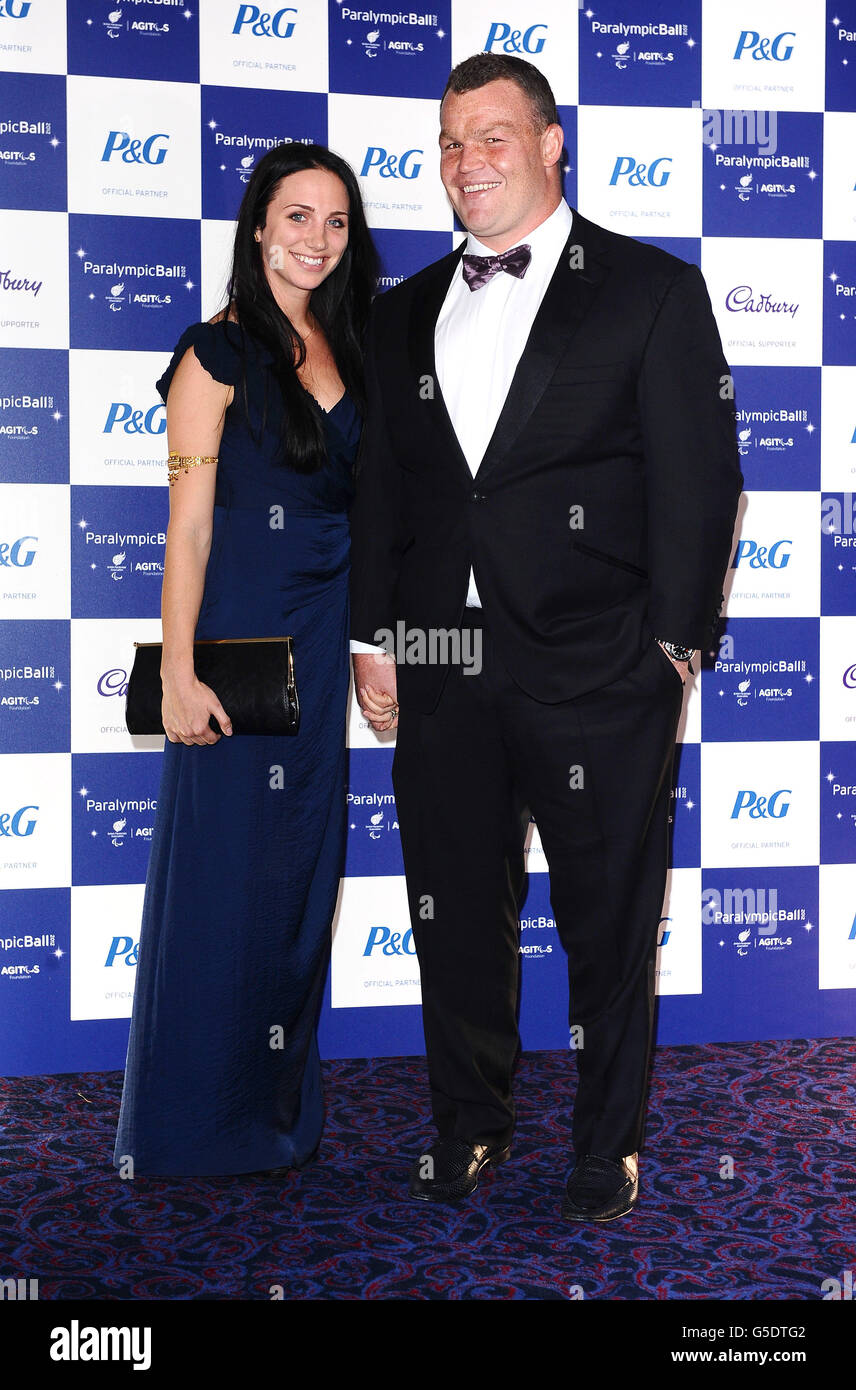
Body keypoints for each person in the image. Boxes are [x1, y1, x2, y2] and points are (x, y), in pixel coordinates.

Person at [349, 54, 742, 1219]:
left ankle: (603, 1143)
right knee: (454, 908)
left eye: (493, 137)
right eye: (451, 141)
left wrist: (674, 646)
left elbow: (700, 476)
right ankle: (469, 1124)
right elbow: (385, 493)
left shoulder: (648, 291)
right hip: (442, 661)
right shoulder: (398, 311)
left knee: (606, 917)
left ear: (552, 142)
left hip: (597, 665)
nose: (467, 162)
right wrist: (375, 636)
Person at [113, 143, 378, 1176]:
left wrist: (370, 646)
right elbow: (185, 530)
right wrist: (180, 672)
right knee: (223, 879)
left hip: (321, 636)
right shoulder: (210, 353)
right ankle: (192, 1124)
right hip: (239, 647)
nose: (317, 238)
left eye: (337, 222)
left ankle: (271, 1113)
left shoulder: (350, 347)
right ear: (258, 226)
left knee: (297, 881)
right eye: (297, 216)